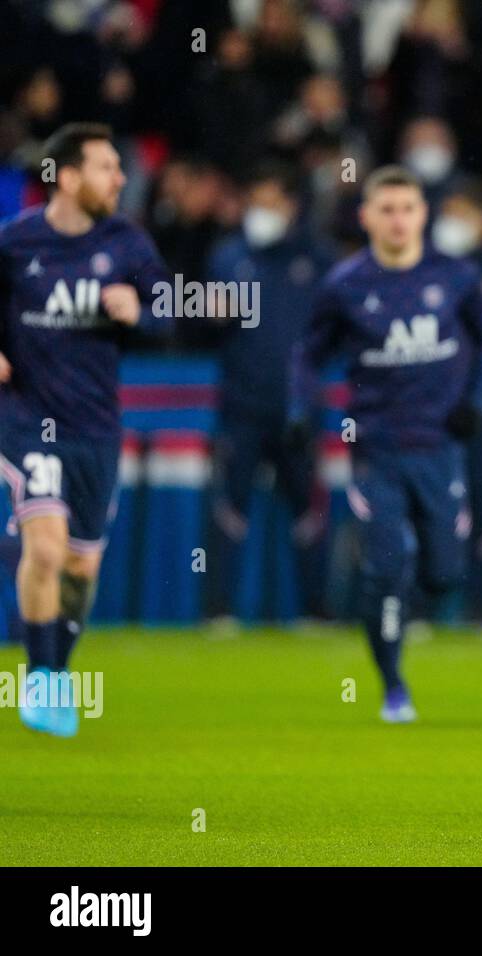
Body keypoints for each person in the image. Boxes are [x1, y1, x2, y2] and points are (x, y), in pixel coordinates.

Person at [292, 165, 482, 723]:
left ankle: (419, 597)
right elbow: (308, 354)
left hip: (440, 447)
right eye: (386, 209)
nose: (398, 219)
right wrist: (298, 409)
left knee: (442, 574)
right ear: (366, 217)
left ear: (422, 215)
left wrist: (478, 401)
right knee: (387, 566)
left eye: (407, 208)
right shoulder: (344, 285)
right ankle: (392, 686)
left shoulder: (455, 276)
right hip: (376, 449)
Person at [0, 122, 171, 736]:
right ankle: (39, 677)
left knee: (80, 568)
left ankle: (60, 671)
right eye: (107, 167)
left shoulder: (127, 241)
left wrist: (142, 310)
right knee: (44, 548)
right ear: (67, 177)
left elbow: (172, 311)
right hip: (27, 420)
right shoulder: (15, 243)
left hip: (96, 426)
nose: (121, 178)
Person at [205, 162, 335, 621]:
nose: (260, 213)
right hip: (241, 407)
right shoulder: (226, 257)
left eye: (270, 204)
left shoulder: (317, 260)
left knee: (308, 513)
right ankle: (218, 612)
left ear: (291, 207)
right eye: (254, 204)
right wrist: (206, 312)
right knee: (228, 510)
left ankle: (315, 612)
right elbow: (193, 319)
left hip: (299, 409)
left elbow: (339, 324)